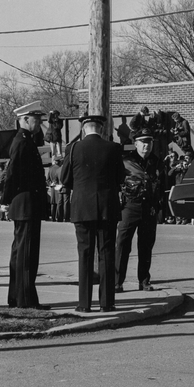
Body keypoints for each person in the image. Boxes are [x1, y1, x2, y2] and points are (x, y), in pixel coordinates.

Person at [60, 114, 124, 313]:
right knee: (106, 253)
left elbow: (65, 178)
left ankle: (84, 303)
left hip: (82, 208)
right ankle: (107, 302)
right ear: (101, 129)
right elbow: (120, 177)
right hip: (107, 207)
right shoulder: (113, 148)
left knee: (85, 254)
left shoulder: (73, 149)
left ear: (84, 129)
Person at [1, 102, 51, 310]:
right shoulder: (22, 142)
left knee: (22, 253)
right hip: (25, 203)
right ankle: (25, 299)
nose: (39, 123)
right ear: (24, 120)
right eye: (36, 119)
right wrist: (6, 199)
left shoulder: (25, 140)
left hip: (27, 203)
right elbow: (13, 174)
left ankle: (19, 297)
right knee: (26, 253)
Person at [115, 127, 164, 293]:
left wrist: (157, 208)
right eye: (143, 143)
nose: (146, 146)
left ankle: (144, 281)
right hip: (130, 207)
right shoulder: (126, 162)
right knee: (122, 245)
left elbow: (162, 186)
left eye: (149, 142)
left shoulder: (157, 162)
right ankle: (117, 282)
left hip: (148, 209)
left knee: (146, 247)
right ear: (135, 144)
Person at [47, 154, 67, 222]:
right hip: (60, 187)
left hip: (53, 188)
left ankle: (53, 217)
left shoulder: (51, 168)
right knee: (60, 203)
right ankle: (59, 217)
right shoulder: (61, 169)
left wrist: (51, 184)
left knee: (53, 203)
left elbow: (48, 179)